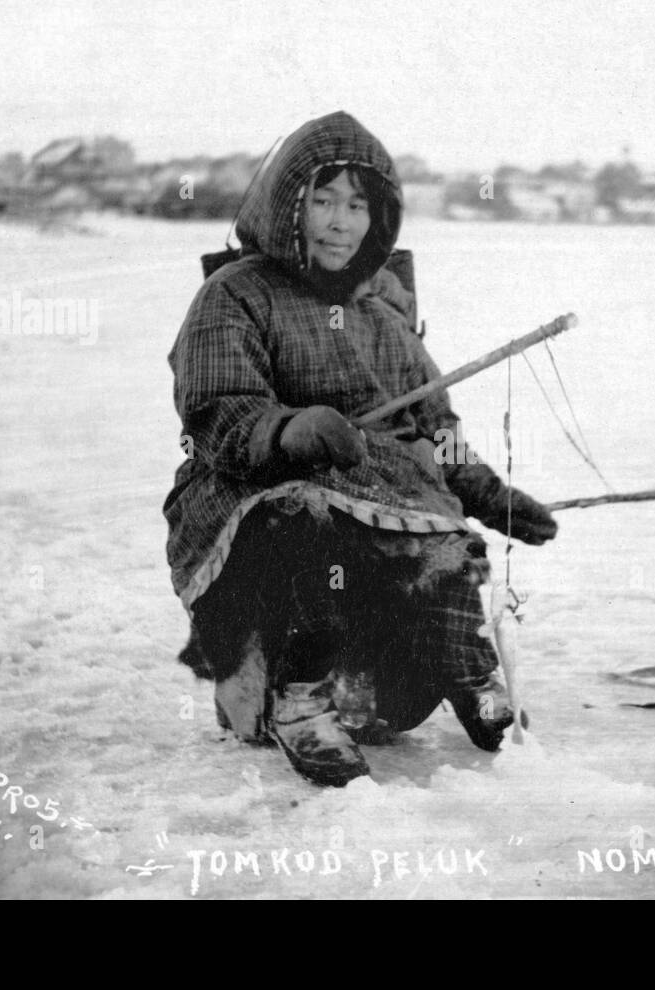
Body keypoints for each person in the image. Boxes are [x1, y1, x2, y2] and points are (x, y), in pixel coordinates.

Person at [163, 110, 558, 787]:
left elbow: (435, 427)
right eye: (323, 200)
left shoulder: (384, 314)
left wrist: (492, 497)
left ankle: (465, 667)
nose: (341, 221)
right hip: (255, 491)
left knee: (442, 538)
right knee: (309, 524)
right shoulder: (236, 295)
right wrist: (290, 429)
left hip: (379, 489)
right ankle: (299, 699)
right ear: (288, 203)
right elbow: (218, 412)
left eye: (358, 204)